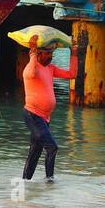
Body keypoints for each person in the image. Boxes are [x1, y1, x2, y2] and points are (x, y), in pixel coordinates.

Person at [21, 33, 75, 183]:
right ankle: (49, 181)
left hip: (44, 117)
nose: (50, 57)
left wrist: (74, 53)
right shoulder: (30, 68)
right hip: (32, 115)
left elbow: (72, 74)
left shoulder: (50, 68)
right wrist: (32, 53)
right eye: (47, 54)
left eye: (52, 53)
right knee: (52, 147)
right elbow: (31, 73)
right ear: (39, 54)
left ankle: (25, 182)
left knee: (35, 151)